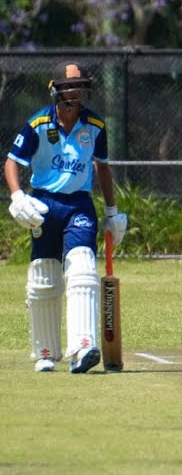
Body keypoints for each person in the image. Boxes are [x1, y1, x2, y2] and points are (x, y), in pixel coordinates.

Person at [5, 61, 128, 373]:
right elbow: (11, 162)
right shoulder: (37, 124)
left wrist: (111, 211)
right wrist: (18, 196)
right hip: (44, 204)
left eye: (80, 86)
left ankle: (84, 346)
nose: (76, 91)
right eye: (70, 86)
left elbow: (102, 167)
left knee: (83, 268)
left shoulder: (96, 126)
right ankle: (46, 351)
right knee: (45, 275)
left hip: (78, 205)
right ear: (56, 90)